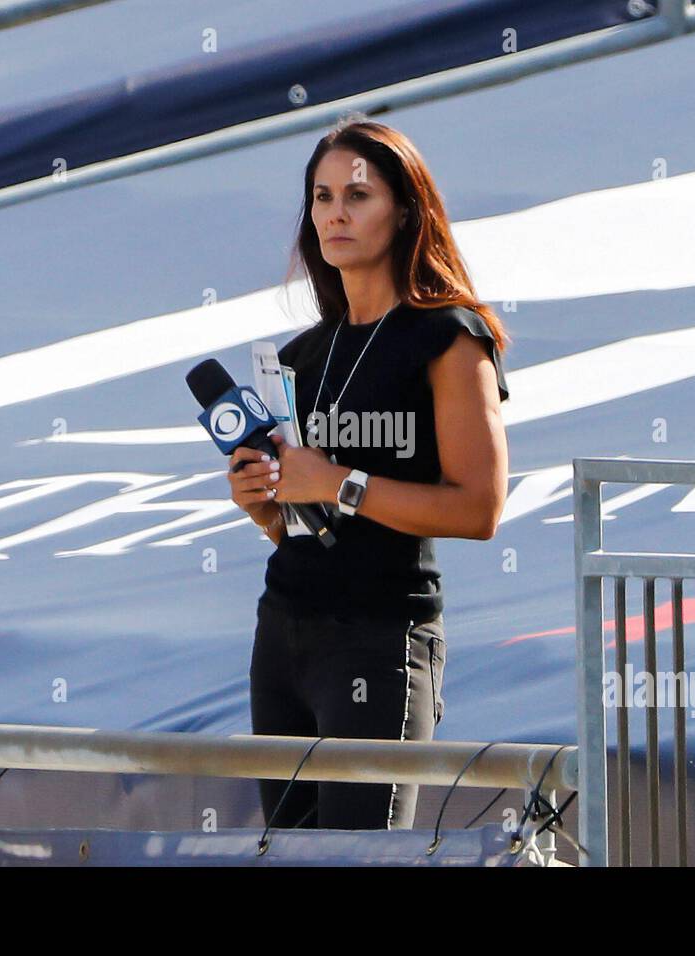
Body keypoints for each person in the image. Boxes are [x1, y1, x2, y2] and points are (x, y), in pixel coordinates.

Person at [225, 118, 510, 831]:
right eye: (321, 198)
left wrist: (339, 482)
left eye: (358, 194)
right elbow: (307, 521)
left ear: (406, 209)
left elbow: (480, 509)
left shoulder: (449, 336)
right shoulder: (303, 355)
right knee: (287, 851)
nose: (335, 214)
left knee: (360, 854)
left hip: (382, 635)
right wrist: (265, 502)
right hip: (285, 628)